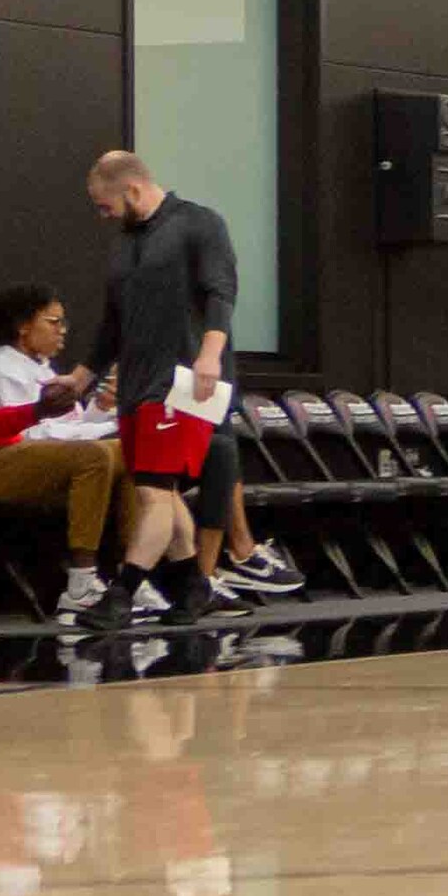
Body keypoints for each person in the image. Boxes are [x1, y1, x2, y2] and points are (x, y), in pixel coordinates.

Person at [86, 151, 287, 611]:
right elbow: (112, 322)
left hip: (183, 383)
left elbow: (221, 291)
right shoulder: (124, 244)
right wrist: (82, 377)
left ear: (132, 190)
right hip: (137, 386)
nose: (103, 216)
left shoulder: (199, 223)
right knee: (160, 491)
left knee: (154, 492)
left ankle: (123, 592)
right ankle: (195, 587)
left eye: (105, 205)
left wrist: (210, 355)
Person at [0, 291, 159, 619]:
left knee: (129, 452)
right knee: (94, 456)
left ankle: (129, 579)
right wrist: (36, 412)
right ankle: (82, 584)